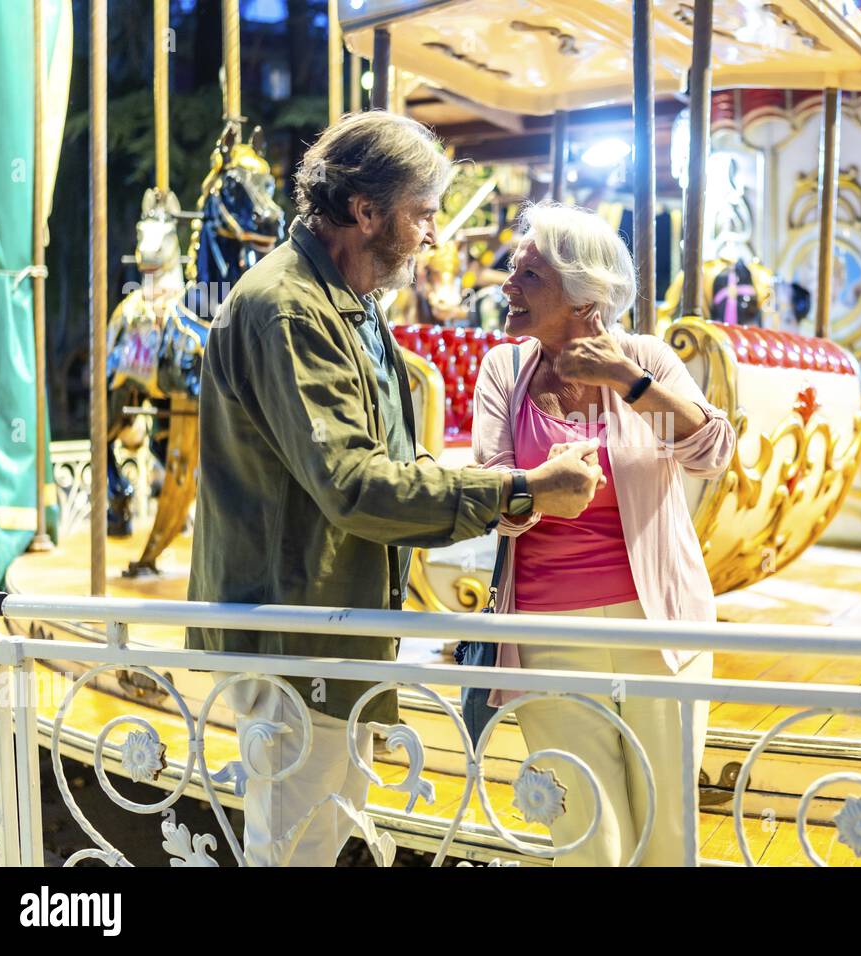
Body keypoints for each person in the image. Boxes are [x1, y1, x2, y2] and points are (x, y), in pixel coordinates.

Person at [186, 113, 604, 866]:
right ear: (365, 210)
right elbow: (354, 485)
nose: (435, 236)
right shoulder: (289, 308)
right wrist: (522, 490)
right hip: (296, 643)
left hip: (336, 633)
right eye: (423, 213)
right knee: (293, 850)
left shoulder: (349, 301)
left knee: (329, 834)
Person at [471, 203, 736, 866]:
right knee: (588, 840)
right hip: (547, 636)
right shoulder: (504, 372)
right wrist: (540, 490)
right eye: (513, 272)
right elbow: (491, 498)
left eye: (528, 276)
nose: (507, 287)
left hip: (662, 631)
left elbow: (711, 451)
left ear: (582, 293)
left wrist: (625, 379)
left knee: (667, 839)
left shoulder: (646, 359)